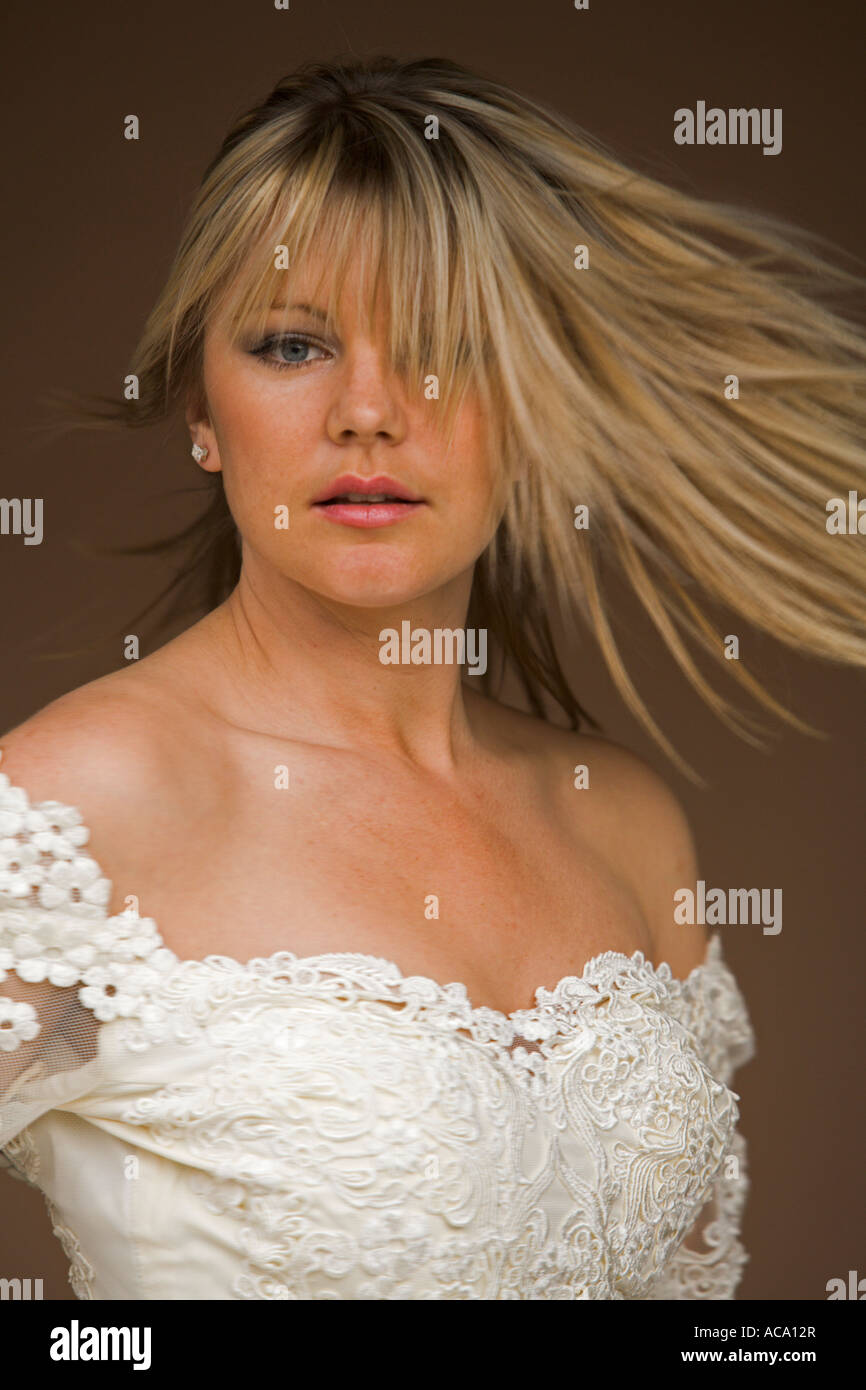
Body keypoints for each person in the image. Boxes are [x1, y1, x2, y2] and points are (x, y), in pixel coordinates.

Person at [1, 55, 863, 1300]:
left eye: (444, 348)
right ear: (200, 402)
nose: (366, 411)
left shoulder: (619, 822)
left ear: (532, 402)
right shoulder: (78, 806)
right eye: (292, 344)